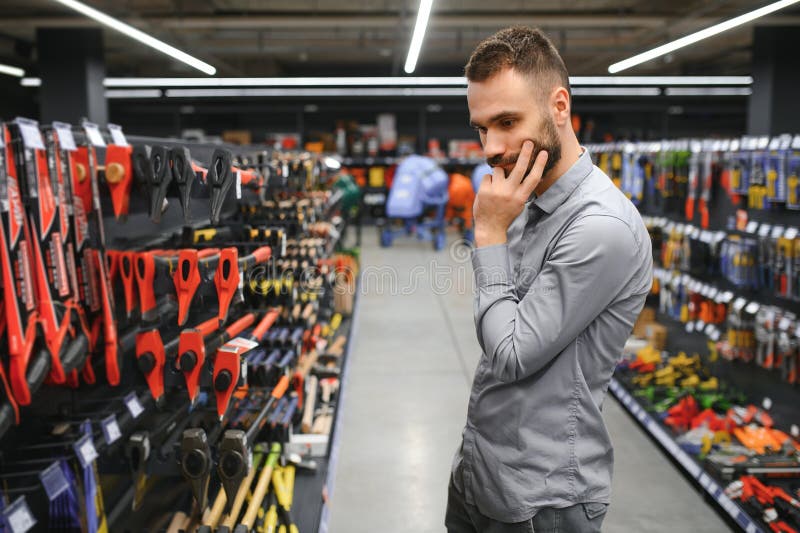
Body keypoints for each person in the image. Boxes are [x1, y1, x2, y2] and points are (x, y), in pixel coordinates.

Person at [446, 26, 653, 533]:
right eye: (481, 128)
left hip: (540, 502)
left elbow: (513, 352)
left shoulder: (599, 228)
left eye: (507, 121)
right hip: (483, 471)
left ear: (559, 106)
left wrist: (490, 232)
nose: (491, 148)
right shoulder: (531, 199)